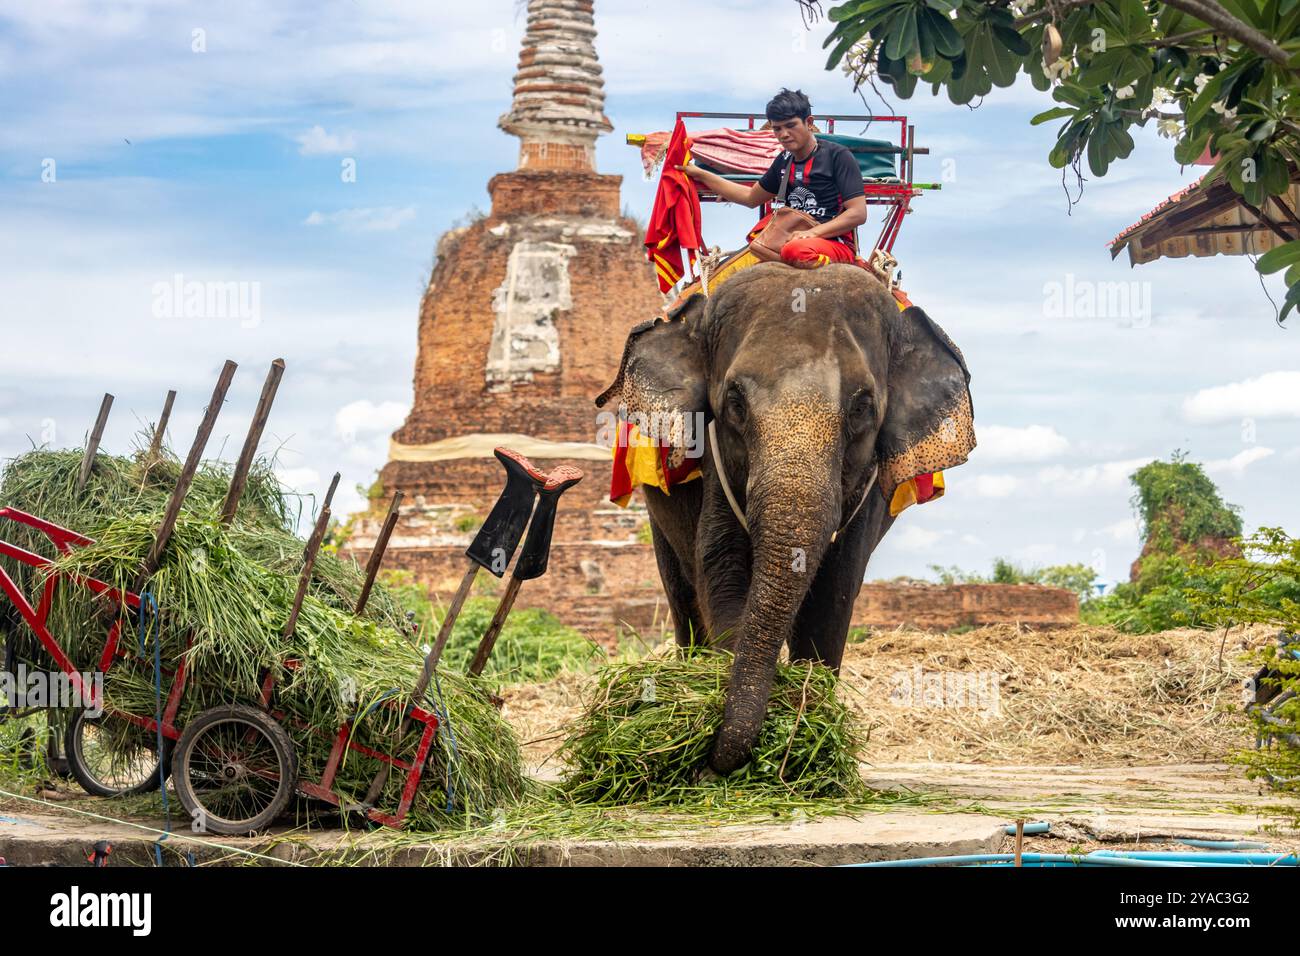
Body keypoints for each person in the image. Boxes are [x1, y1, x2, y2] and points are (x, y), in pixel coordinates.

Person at [676, 88, 868, 268]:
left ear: (809, 122)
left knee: (795, 250)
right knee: (758, 239)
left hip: (831, 241)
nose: (784, 134)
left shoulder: (838, 156)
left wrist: (811, 234)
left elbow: (858, 213)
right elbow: (750, 198)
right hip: (795, 239)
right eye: (777, 129)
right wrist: (700, 174)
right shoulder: (783, 160)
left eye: (791, 126)